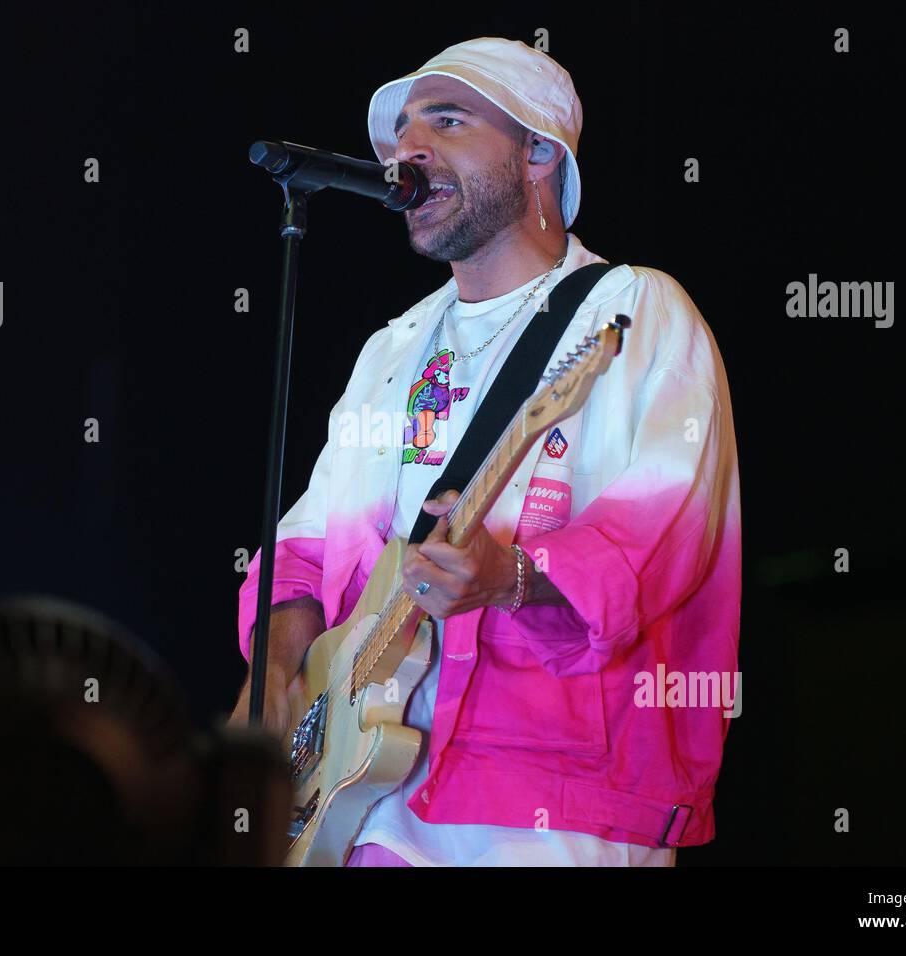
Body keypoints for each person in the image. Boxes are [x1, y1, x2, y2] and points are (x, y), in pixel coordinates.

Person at [231, 37, 741, 867]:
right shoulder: (392, 351)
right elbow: (305, 545)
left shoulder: (632, 310)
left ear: (539, 152)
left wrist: (512, 577)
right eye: (400, 131)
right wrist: (276, 675)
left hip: (547, 804)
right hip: (364, 799)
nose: (406, 150)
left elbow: (663, 536)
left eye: (448, 118)